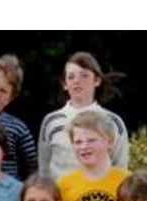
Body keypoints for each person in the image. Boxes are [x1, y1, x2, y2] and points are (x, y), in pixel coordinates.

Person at [38, 52, 129, 181]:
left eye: (84, 75)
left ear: (96, 80)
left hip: (99, 197)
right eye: (71, 77)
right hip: (60, 197)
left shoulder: (113, 122)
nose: (77, 81)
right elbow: (44, 170)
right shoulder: (51, 122)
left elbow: (121, 168)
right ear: (64, 84)